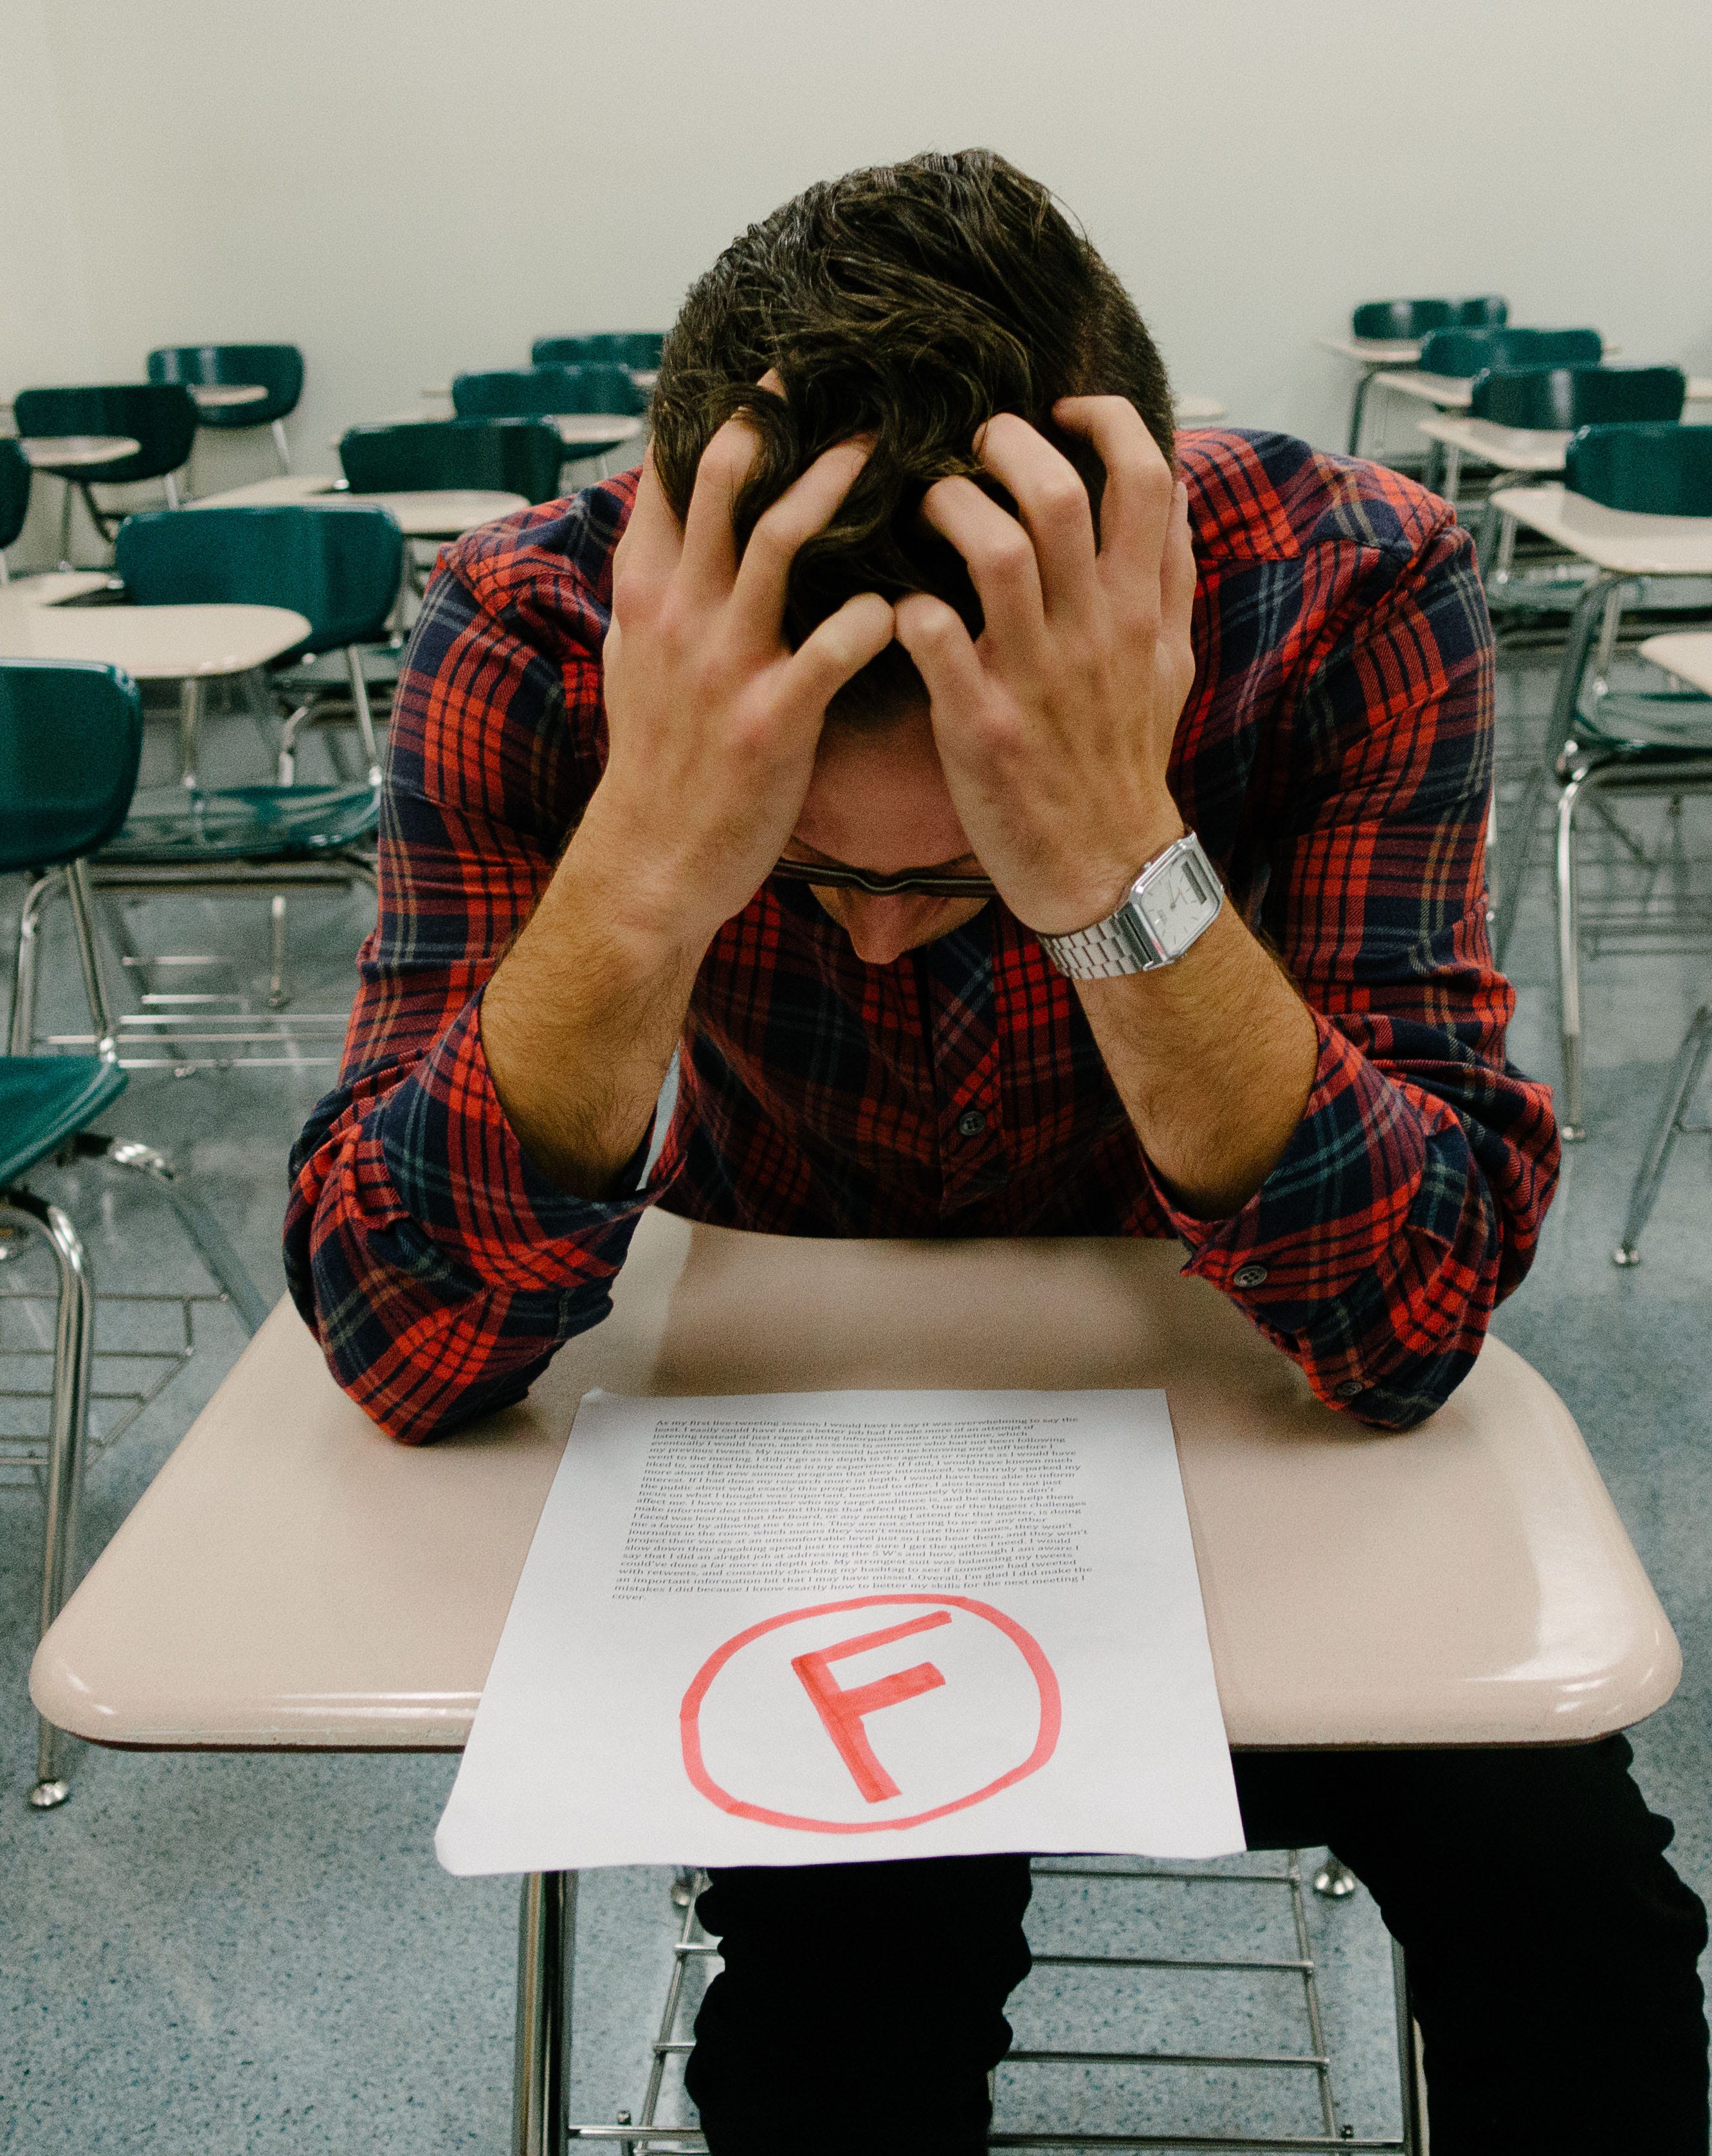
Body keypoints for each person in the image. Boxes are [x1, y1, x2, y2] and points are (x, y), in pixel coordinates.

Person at [285, 151, 1706, 2152]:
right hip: (811, 1480)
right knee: (835, 2023)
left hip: (1260, 1417)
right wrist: (643, 875)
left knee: (1585, 1939)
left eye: (955, 879)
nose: (870, 930)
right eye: (804, 867)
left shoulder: (1352, 592)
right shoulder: (536, 632)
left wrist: (1120, 869)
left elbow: (1414, 1313)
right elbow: (395, 1333)